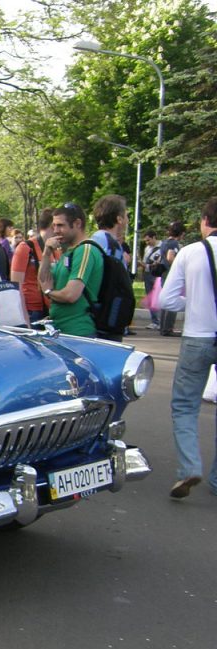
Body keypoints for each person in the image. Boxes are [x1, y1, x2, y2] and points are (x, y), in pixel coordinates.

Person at [157, 197, 217, 499]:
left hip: (197, 336)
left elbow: (166, 301)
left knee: (185, 405)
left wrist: (191, 303)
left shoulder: (191, 252)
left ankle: (190, 466)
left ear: (204, 222)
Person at [37, 202, 104, 338]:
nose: (55, 231)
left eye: (60, 225)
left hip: (79, 332)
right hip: (62, 331)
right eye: (54, 226)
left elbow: (70, 295)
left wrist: (48, 292)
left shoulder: (85, 250)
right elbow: (42, 281)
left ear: (78, 223)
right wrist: (46, 253)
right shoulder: (68, 252)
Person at [91, 194, 136, 335]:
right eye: (126, 216)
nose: (128, 221)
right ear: (119, 219)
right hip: (105, 316)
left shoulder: (101, 240)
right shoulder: (109, 245)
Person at [11, 208, 53, 323]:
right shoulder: (25, 247)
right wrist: (24, 319)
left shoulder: (56, 248)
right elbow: (15, 285)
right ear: (53, 225)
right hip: (32, 311)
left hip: (51, 309)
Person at [159, 220, 186, 335]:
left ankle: (163, 327)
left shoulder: (164, 242)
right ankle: (168, 328)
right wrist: (179, 266)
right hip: (171, 273)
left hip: (164, 273)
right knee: (172, 299)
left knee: (165, 301)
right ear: (181, 233)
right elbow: (170, 257)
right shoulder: (173, 244)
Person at [142, 230, 162, 329]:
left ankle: (160, 321)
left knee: (158, 297)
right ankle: (154, 321)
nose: (147, 243)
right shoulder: (147, 249)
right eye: (146, 241)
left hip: (157, 274)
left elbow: (159, 262)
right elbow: (145, 262)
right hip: (147, 274)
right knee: (150, 297)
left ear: (154, 237)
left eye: (148, 240)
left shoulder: (162, 247)